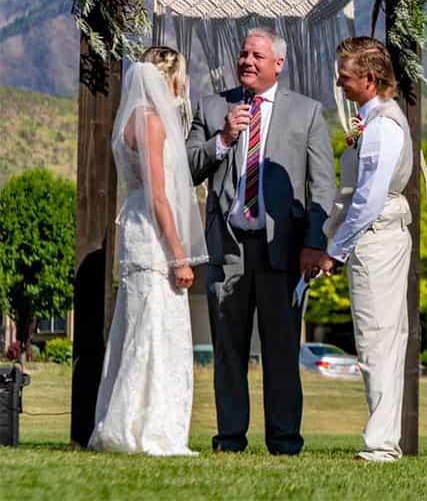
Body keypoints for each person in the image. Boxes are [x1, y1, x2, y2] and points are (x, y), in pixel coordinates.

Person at [186, 28, 335, 455]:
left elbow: (322, 187)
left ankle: (284, 440)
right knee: (228, 349)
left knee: (282, 349)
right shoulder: (213, 107)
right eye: (243, 54)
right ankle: (229, 438)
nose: (247, 61)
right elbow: (185, 167)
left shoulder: (306, 113)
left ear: (278, 65)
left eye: (257, 55)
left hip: (283, 252)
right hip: (228, 248)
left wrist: (313, 243)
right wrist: (223, 140)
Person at [90, 47, 207, 455]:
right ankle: (150, 428)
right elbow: (160, 196)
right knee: (156, 326)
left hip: (135, 227)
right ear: (169, 80)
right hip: (155, 233)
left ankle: (122, 421)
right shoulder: (153, 122)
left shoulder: (127, 124)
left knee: (136, 326)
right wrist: (179, 254)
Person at [308, 37, 413, 463]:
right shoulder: (371, 122)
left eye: (346, 76)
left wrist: (336, 249)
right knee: (382, 338)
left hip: (377, 240)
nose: (340, 82)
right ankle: (384, 438)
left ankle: (382, 444)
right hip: (374, 237)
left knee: (377, 340)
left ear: (370, 80)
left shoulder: (384, 126)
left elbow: (368, 200)